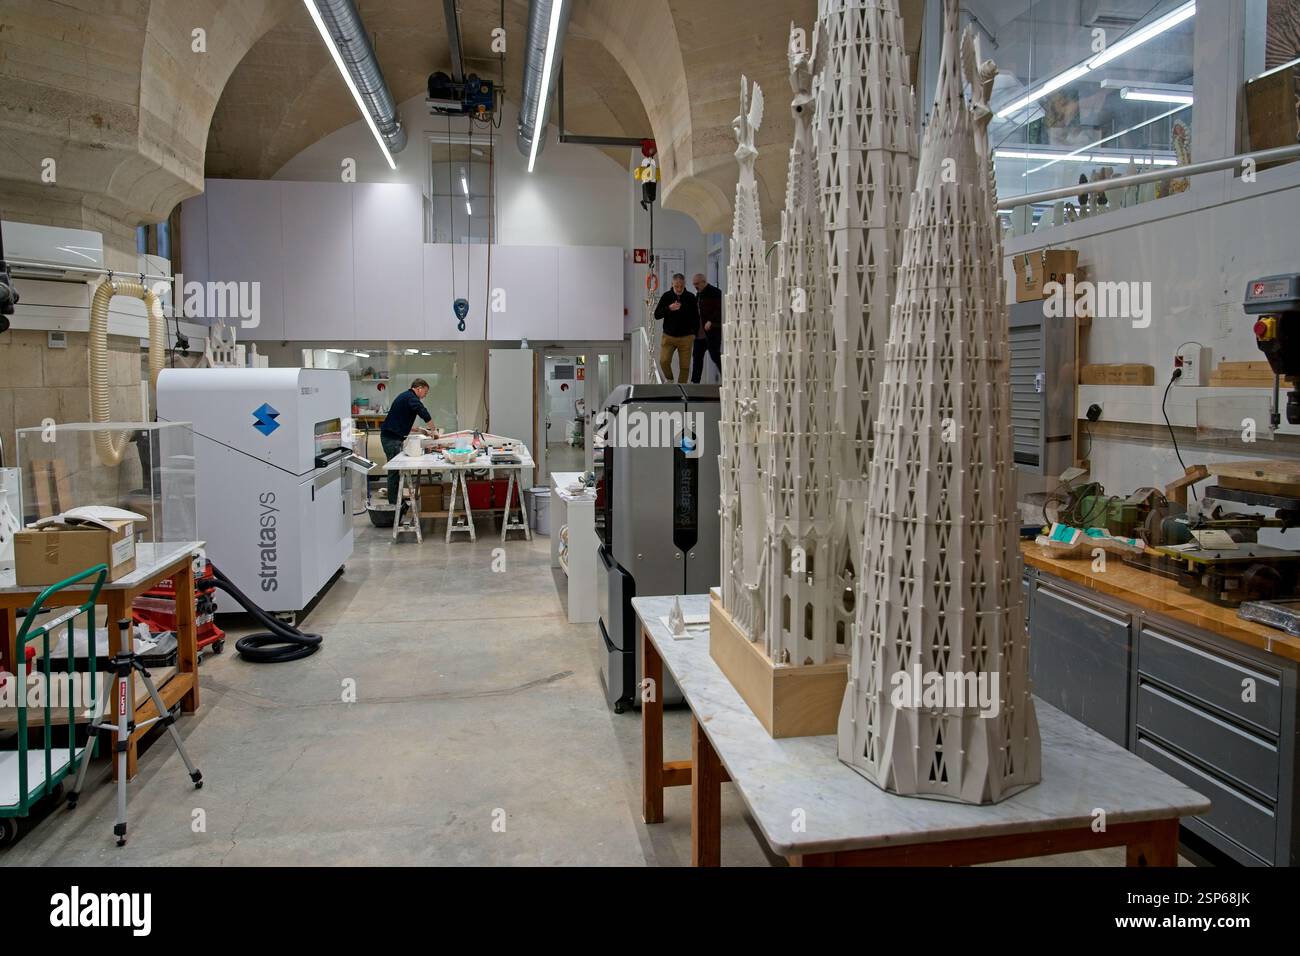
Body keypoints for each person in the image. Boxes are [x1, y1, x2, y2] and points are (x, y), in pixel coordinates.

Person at [380, 378, 435, 513]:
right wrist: (434, 430)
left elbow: (400, 420)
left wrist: (419, 430)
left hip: (392, 436)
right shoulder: (411, 397)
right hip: (391, 439)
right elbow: (423, 412)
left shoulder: (406, 397)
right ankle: (395, 506)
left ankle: (399, 503)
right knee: (394, 472)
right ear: (419, 388)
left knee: (397, 473)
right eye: (425, 392)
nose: (425, 395)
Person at [653, 273, 698, 383]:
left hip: (686, 337)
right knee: (664, 361)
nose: (678, 289)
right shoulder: (666, 296)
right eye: (676, 286)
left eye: (681, 286)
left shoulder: (691, 297)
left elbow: (696, 317)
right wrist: (669, 308)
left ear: (684, 284)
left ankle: (680, 389)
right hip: (668, 337)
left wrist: (694, 334)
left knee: (685, 367)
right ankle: (670, 380)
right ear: (672, 284)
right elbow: (657, 315)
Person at [690, 273, 722, 383]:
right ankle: (695, 383)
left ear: (704, 282)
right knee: (697, 358)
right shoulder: (698, 295)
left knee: (715, 356)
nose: (695, 286)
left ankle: (728, 378)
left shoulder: (715, 293)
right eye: (694, 284)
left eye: (697, 284)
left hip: (712, 332)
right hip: (700, 334)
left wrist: (711, 321)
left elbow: (720, 310)